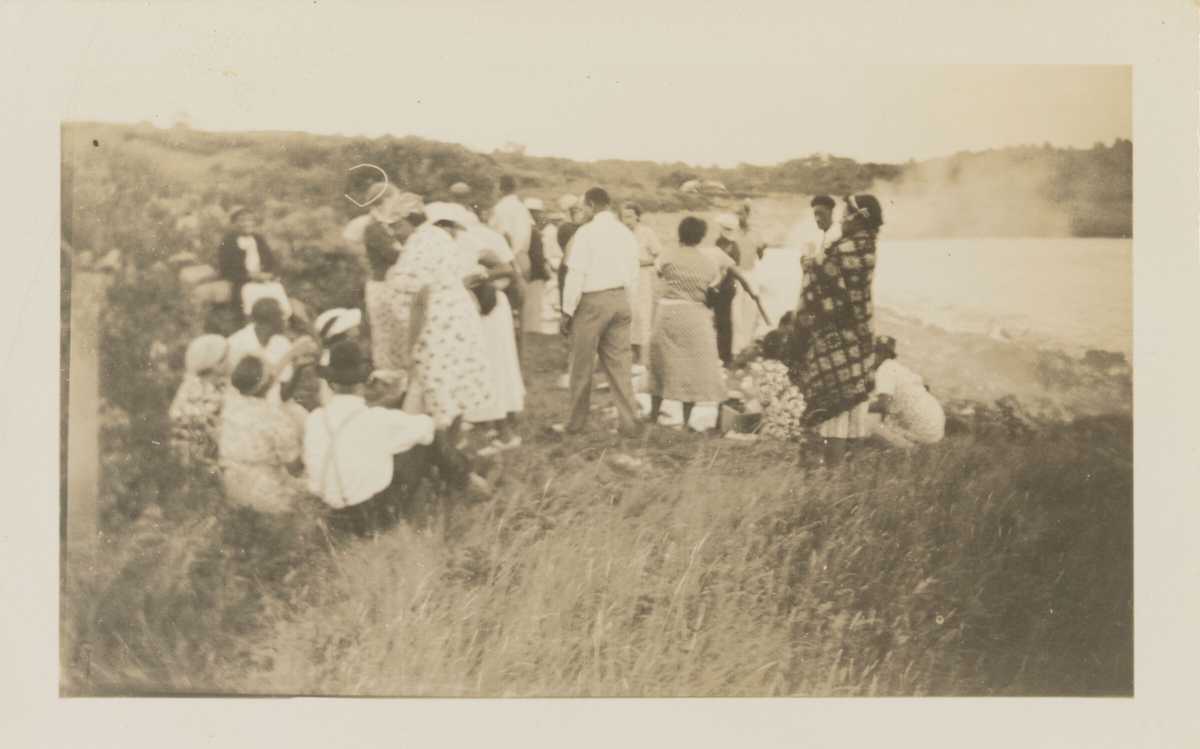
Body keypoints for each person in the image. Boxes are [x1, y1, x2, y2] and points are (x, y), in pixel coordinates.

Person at [304, 340, 439, 537]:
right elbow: (428, 428)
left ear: (331, 383)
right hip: (371, 514)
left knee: (384, 447)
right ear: (364, 382)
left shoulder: (315, 418)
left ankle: (464, 479)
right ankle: (463, 481)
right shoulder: (377, 418)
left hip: (330, 513)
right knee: (426, 439)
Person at [387, 202, 496, 444]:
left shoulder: (421, 243)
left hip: (438, 328)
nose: (394, 233)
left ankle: (438, 455)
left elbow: (419, 300)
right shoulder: (437, 239)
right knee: (452, 391)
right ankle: (449, 450)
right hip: (455, 323)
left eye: (397, 226)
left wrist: (410, 346)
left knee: (437, 393)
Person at [790, 194, 883, 461]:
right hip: (859, 336)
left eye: (846, 213)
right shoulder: (866, 246)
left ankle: (831, 472)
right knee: (848, 404)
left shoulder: (847, 249)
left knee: (835, 406)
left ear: (858, 218)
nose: (842, 218)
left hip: (838, 339)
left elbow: (824, 276)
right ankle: (840, 471)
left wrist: (808, 263)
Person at [648, 216, 761, 430]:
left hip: (668, 312)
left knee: (660, 364)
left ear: (680, 233)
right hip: (694, 316)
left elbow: (659, 272)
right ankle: (686, 420)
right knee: (690, 367)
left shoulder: (668, 254)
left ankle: (654, 417)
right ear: (700, 237)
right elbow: (716, 283)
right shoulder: (708, 261)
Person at [436, 202, 525, 454]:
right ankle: (489, 421)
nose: (443, 231)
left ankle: (504, 429)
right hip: (470, 312)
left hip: (490, 311)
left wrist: (475, 280)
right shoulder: (441, 249)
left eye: (445, 226)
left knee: (494, 364)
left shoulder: (470, 243)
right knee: (478, 365)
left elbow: (506, 268)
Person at [558, 187, 642, 437]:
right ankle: (629, 422)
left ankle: (575, 424)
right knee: (620, 366)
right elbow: (634, 274)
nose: (581, 212)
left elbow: (576, 275)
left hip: (592, 301)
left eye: (583, 207)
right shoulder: (625, 233)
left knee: (581, 366)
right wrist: (628, 304)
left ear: (593, 206)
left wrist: (567, 311)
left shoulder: (586, 233)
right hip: (620, 299)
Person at [218, 354, 309, 514]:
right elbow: (295, 468)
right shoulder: (275, 417)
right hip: (265, 495)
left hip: (231, 488)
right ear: (266, 383)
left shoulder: (229, 405)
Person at [362, 187, 426, 377]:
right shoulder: (373, 228)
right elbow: (395, 255)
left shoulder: (387, 226)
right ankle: (390, 381)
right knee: (387, 337)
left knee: (400, 335)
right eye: (394, 200)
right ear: (383, 202)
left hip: (394, 285)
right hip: (383, 287)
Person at [227, 297, 317, 406]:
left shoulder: (281, 342)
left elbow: (284, 395)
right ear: (268, 322)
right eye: (281, 316)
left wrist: (298, 368)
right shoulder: (236, 343)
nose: (286, 320)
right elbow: (255, 390)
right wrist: (291, 354)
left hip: (276, 407)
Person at [168, 334, 230, 478]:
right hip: (198, 463)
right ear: (216, 363)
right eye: (226, 358)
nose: (230, 361)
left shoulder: (216, 383)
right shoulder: (196, 390)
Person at [216, 206, 290, 323]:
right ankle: (252, 325)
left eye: (250, 220)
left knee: (277, 289)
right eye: (242, 220)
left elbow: (272, 262)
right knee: (250, 295)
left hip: (264, 280)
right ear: (234, 223)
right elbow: (225, 270)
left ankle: (282, 323)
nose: (247, 223)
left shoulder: (258, 239)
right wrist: (250, 276)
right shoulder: (228, 242)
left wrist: (270, 275)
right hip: (243, 283)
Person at [869, 336, 945, 447]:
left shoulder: (884, 370)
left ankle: (910, 448)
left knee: (865, 425)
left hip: (923, 435)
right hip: (935, 433)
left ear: (880, 354)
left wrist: (857, 407)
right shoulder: (898, 368)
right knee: (878, 422)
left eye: (874, 353)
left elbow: (882, 406)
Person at [489, 176, 538, 340]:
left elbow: (503, 236)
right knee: (519, 309)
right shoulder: (522, 208)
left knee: (505, 307)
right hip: (523, 257)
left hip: (509, 257)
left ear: (500, 189)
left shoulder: (500, 208)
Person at [620, 201, 663, 369]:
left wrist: (643, 262)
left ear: (637, 216)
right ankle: (630, 357)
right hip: (625, 280)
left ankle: (644, 360)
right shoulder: (620, 233)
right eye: (624, 216)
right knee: (627, 315)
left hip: (643, 278)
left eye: (630, 216)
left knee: (643, 316)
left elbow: (659, 255)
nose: (627, 220)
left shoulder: (646, 233)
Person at [731, 200, 768, 356]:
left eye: (741, 213)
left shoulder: (755, 232)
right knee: (735, 311)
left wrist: (762, 249)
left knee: (750, 311)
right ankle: (736, 347)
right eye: (736, 213)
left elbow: (760, 256)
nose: (739, 216)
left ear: (747, 214)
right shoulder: (732, 232)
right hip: (735, 274)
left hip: (751, 273)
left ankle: (746, 346)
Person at [712, 213, 742, 366]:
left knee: (722, 321)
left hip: (723, 286)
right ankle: (724, 354)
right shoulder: (733, 245)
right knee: (724, 321)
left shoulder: (723, 244)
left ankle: (724, 355)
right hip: (728, 286)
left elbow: (721, 266)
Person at [523, 198, 553, 335]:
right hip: (535, 275)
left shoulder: (525, 229)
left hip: (528, 273)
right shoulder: (533, 231)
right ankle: (532, 332)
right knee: (533, 307)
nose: (541, 216)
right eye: (538, 213)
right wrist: (544, 273)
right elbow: (537, 257)